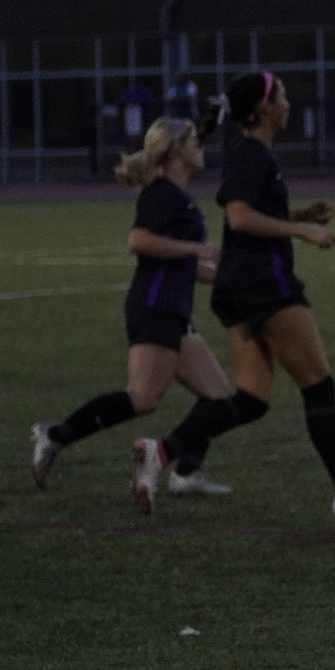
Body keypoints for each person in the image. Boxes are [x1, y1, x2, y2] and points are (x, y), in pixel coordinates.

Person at [130, 72, 335, 524]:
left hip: (239, 288)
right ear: (261, 110)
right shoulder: (251, 154)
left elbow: (252, 211)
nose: (288, 101)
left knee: (253, 399)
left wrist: (298, 213)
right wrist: (303, 230)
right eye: (279, 95)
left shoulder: (251, 155)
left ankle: (160, 452)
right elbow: (239, 218)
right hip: (264, 286)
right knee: (319, 386)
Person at [31, 116, 234, 494]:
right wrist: (196, 249)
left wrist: (224, 274)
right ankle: (55, 434)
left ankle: (187, 472)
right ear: (175, 150)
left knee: (218, 397)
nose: (201, 147)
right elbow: (139, 241)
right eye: (194, 141)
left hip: (174, 308)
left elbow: (186, 266)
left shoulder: (179, 197)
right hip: (155, 305)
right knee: (142, 398)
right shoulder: (160, 193)